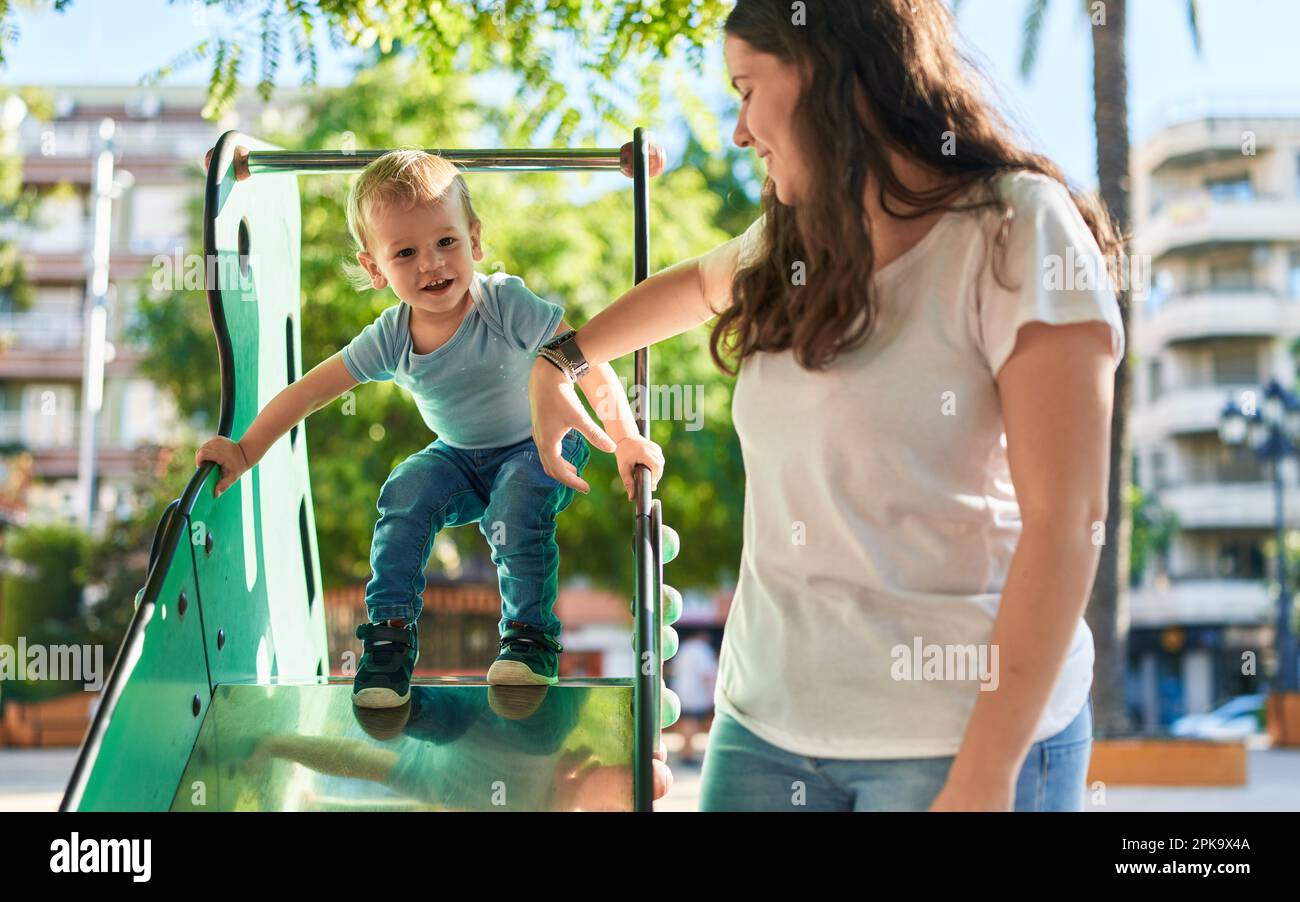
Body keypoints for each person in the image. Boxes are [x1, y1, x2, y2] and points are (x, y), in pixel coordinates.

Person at [528, 0, 1124, 811]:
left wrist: (985, 778)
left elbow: (1067, 525)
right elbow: (700, 285)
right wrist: (559, 360)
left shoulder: (1018, 228)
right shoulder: (802, 243)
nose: (739, 130)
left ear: (827, 74)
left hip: (955, 743)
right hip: (766, 727)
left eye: (746, 89)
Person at [195, 149, 665, 707]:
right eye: (406, 252)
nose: (432, 264)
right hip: (460, 458)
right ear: (375, 269)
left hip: (541, 444)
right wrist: (247, 450)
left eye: (446, 243)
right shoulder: (391, 336)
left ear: (474, 241)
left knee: (515, 503)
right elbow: (308, 392)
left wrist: (627, 434)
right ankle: (390, 641)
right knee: (406, 489)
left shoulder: (502, 303)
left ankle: (528, 641)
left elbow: (583, 357)